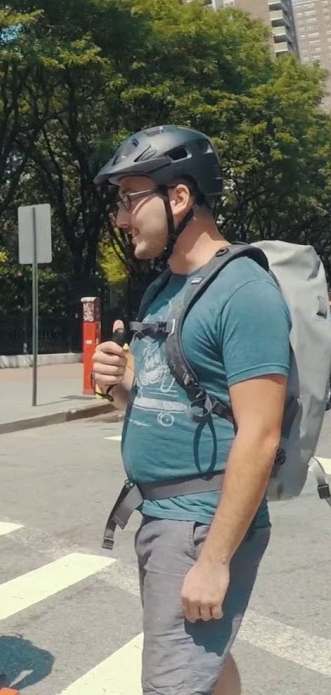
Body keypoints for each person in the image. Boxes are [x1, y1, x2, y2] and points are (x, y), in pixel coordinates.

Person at [90, 125, 287, 695]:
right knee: (208, 664)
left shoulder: (243, 291)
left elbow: (261, 433)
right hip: (163, 521)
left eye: (130, 200)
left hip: (200, 526)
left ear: (178, 198)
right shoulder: (165, 290)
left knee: (172, 685)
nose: (122, 219)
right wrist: (124, 384)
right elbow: (169, 399)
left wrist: (216, 560)